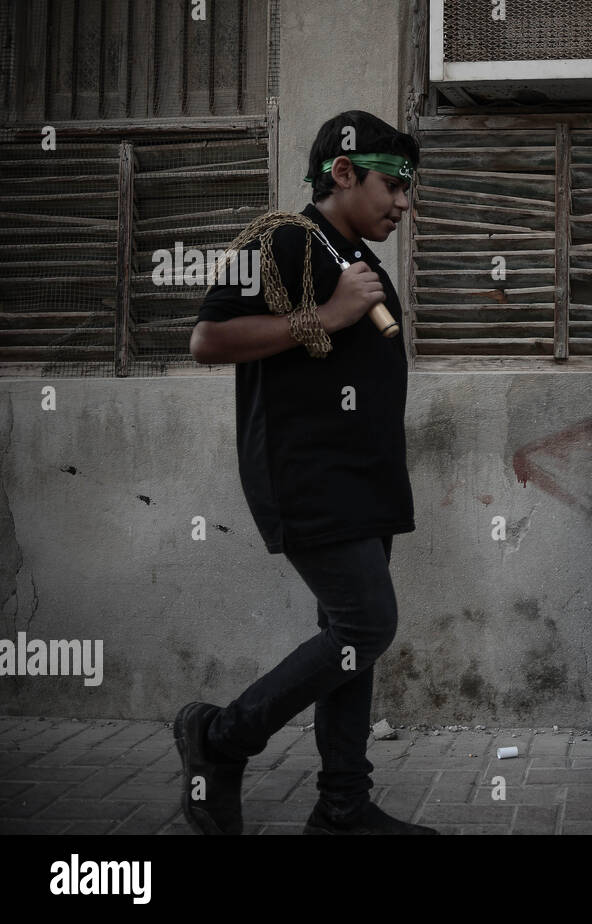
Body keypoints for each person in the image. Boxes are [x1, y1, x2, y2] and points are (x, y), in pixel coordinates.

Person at [176, 110, 436, 835]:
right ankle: (221, 737)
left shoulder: (356, 253)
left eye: (409, 189)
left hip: (366, 483)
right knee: (367, 623)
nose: (404, 203)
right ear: (344, 172)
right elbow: (207, 339)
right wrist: (326, 314)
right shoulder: (281, 239)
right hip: (308, 477)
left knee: (350, 645)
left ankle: (343, 806)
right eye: (393, 185)